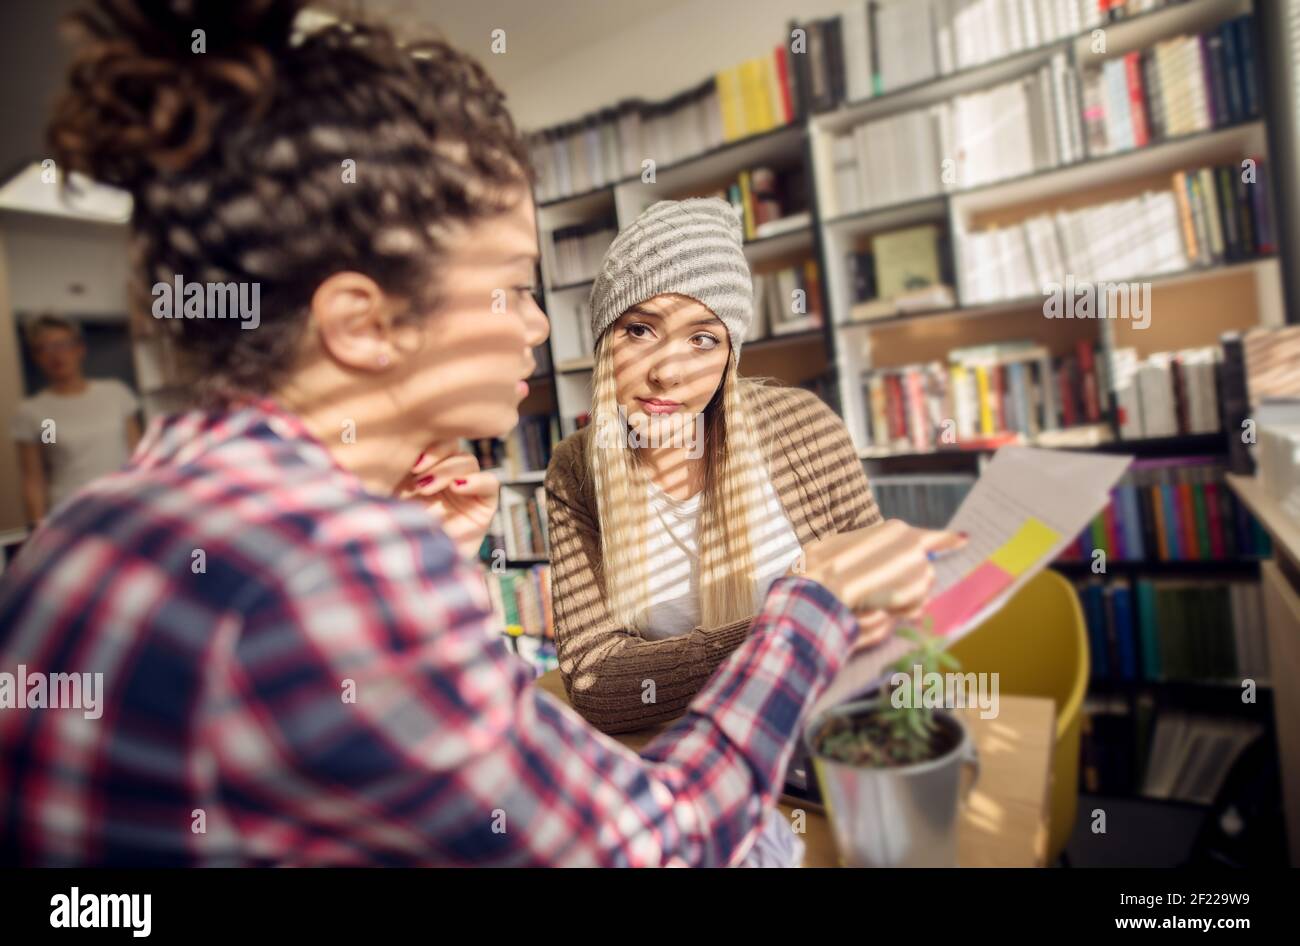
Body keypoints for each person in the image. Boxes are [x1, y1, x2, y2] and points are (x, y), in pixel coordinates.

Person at [0, 0, 958, 866]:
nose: (540, 325)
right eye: (510, 284)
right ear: (365, 323)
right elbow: (655, 841)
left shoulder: (92, 526)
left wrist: (432, 566)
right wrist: (813, 609)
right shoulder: (332, 568)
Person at [547, 198, 908, 734]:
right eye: (640, 330)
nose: (668, 373)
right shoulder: (575, 469)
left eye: (702, 339)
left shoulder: (801, 427)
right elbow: (600, 686)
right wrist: (782, 628)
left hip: (822, 730)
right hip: (686, 749)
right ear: (605, 341)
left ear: (728, 358)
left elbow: (883, 616)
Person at [11, 314, 141, 525]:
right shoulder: (36, 412)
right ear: (36, 357)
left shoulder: (115, 393)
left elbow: (139, 456)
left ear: (79, 349)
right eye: (44, 348)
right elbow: (35, 478)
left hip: (126, 506)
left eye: (62, 345)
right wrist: (38, 529)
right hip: (71, 515)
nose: (56, 355)